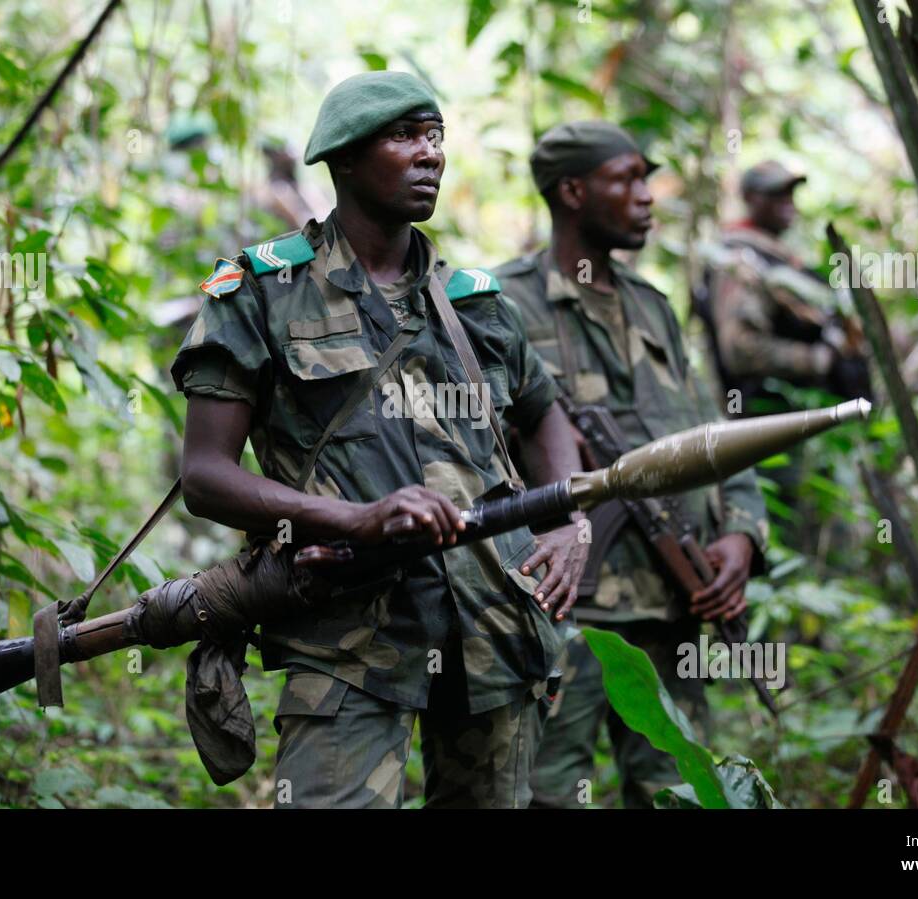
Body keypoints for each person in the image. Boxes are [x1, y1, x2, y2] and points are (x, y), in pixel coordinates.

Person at [170, 71, 589, 808]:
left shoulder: (476, 304)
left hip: (491, 626)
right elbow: (205, 474)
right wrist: (354, 517)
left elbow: (545, 411)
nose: (429, 154)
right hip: (346, 639)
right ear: (344, 159)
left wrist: (567, 522)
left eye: (436, 136)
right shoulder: (259, 291)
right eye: (405, 137)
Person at [492, 121, 769, 808]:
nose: (647, 196)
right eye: (628, 179)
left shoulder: (653, 308)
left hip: (671, 606)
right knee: (547, 796)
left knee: (680, 794)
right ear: (573, 190)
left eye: (647, 179)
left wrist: (740, 535)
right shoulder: (500, 302)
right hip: (557, 613)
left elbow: (712, 434)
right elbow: (462, 450)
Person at [696, 160, 871, 417]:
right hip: (772, 420)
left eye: (790, 193)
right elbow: (740, 350)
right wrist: (818, 359)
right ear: (750, 198)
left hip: (806, 413)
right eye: (775, 194)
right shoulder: (739, 261)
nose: (787, 201)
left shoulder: (776, 257)